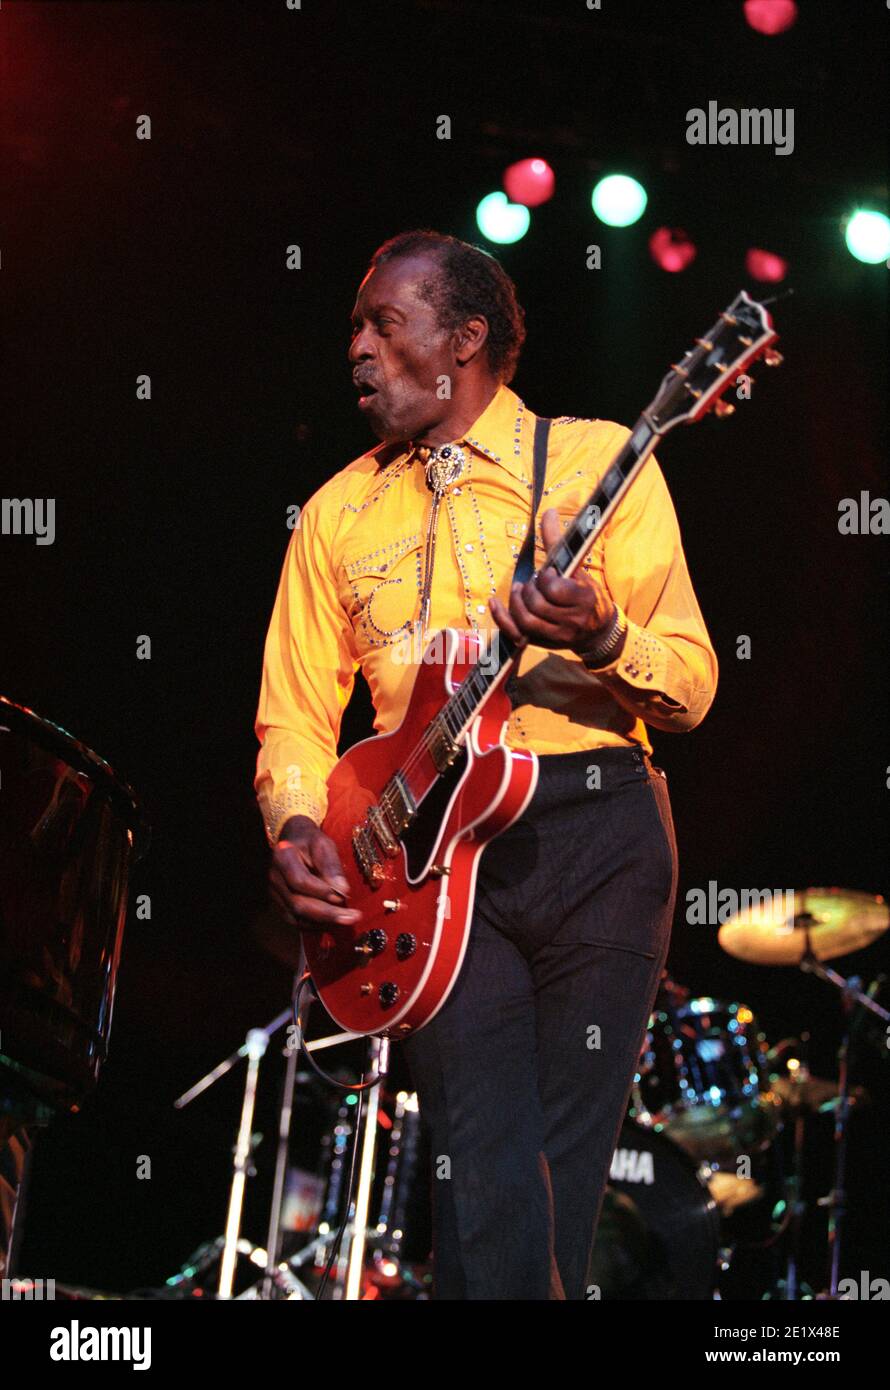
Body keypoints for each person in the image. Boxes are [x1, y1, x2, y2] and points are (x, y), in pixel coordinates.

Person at [255, 229, 718, 1299]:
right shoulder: (335, 512)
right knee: (489, 1181)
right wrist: (294, 826)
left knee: (557, 1171)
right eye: (355, 329)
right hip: (424, 862)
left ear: (462, 340)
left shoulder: (603, 458)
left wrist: (601, 636)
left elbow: (689, 685)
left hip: (596, 831)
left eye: (383, 323)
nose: (357, 350)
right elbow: (291, 715)